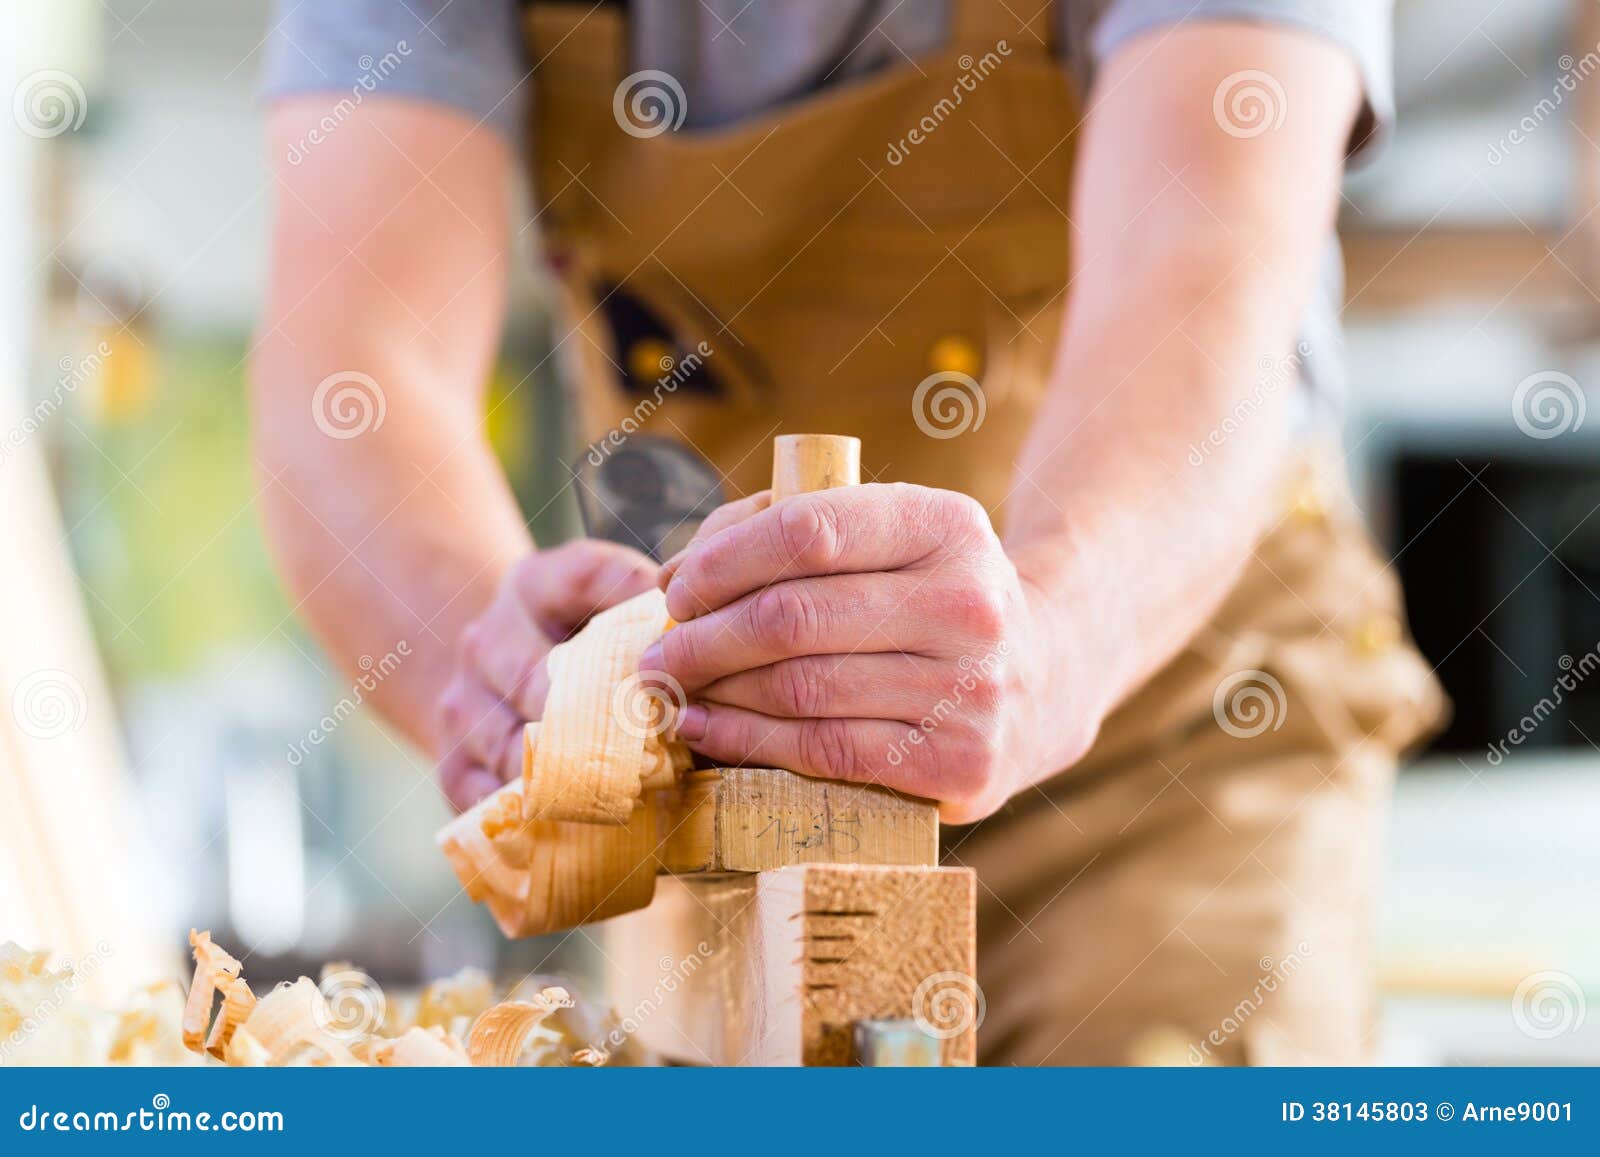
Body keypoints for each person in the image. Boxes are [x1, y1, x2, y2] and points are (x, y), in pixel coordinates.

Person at [256, 0, 1444, 1064]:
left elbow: (1203, 275)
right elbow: (356, 371)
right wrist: (508, 675)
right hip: (724, 766)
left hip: (1167, 724)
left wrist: (1052, 639)